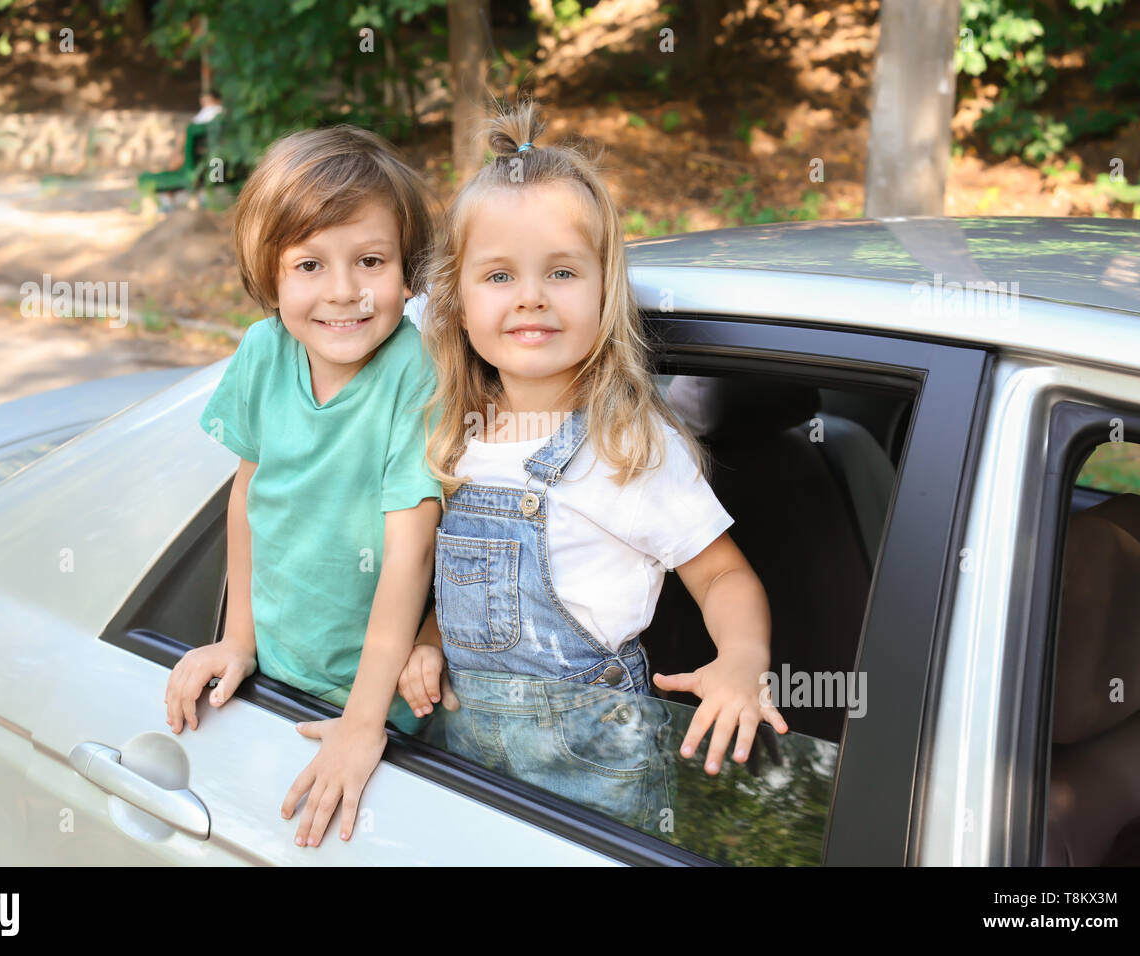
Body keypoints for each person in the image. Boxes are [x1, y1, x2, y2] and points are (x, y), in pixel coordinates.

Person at [396, 97, 788, 832]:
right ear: (458, 301)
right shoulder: (454, 435)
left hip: (597, 784)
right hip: (472, 772)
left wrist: (742, 660)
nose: (532, 298)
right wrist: (427, 642)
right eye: (500, 276)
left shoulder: (629, 448)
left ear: (605, 290)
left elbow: (725, 575)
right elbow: (467, 593)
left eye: (563, 273)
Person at [164, 125, 442, 849]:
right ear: (273, 276)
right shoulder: (262, 352)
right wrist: (237, 643)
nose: (344, 292)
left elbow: (409, 552)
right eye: (311, 264)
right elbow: (251, 495)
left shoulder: (413, 372)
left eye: (371, 261)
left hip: (390, 710)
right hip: (279, 686)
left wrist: (363, 720)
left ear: (408, 275)